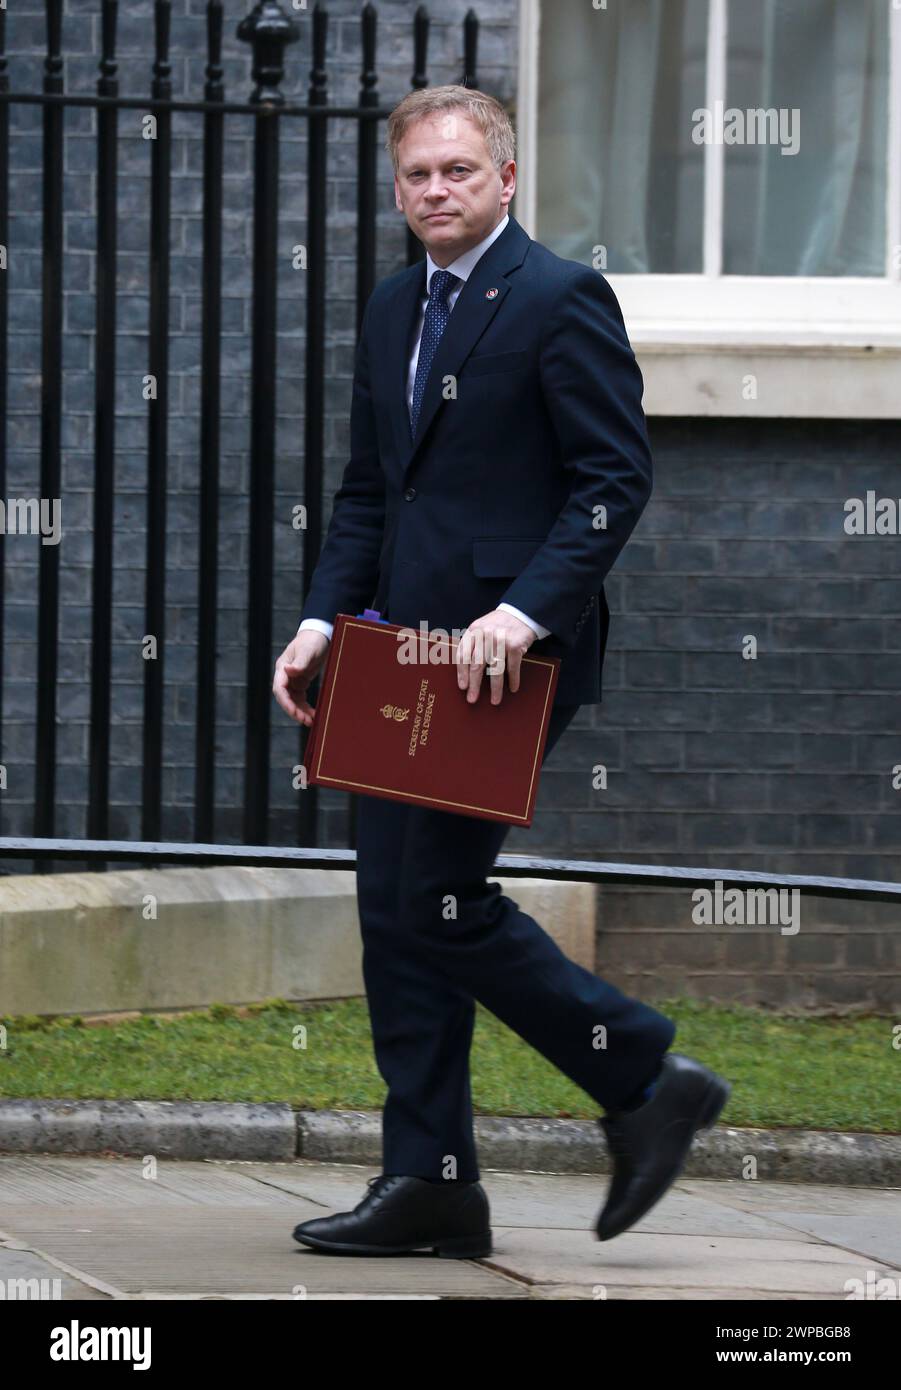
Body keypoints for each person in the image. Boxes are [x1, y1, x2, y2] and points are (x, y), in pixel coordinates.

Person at [272, 85, 729, 1258]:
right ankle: (431, 1183)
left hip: (500, 670)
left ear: (507, 179)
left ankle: (642, 1072)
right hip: (396, 665)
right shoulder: (391, 307)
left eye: (458, 172)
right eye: (417, 174)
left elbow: (610, 481)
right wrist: (323, 623)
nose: (435, 190)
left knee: (436, 901)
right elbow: (373, 490)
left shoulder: (559, 296)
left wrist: (522, 613)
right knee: (394, 912)